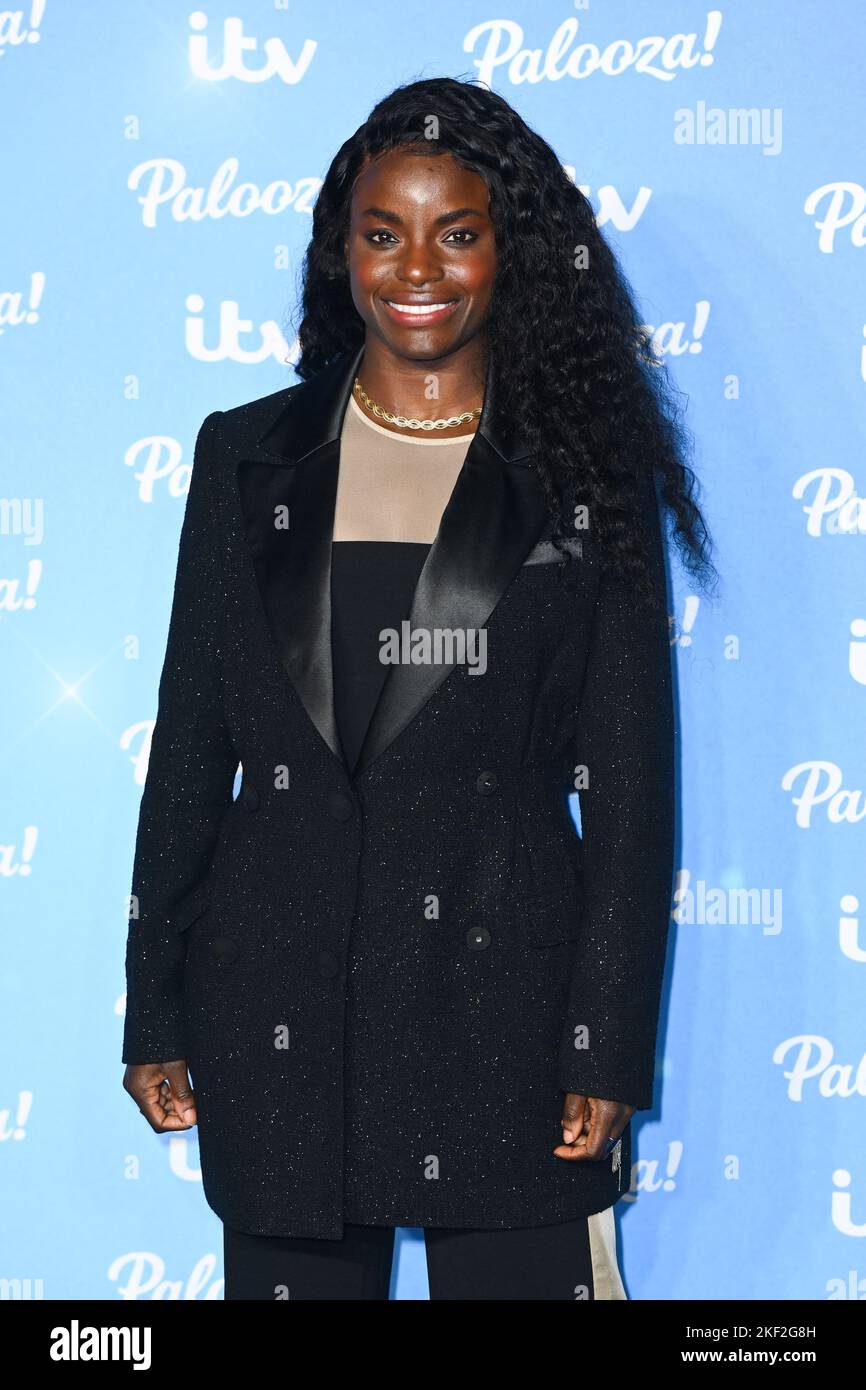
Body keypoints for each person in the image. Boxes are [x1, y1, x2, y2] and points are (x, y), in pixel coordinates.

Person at [122, 76, 716, 1301]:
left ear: (509, 253)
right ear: (339, 251)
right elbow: (191, 745)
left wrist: (602, 1041)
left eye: (456, 231)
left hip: (501, 1007)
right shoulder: (246, 453)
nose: (417, 266)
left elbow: (629, 786)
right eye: (381, 231)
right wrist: (155, 1008)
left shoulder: (582, 479)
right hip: (281, 1005)